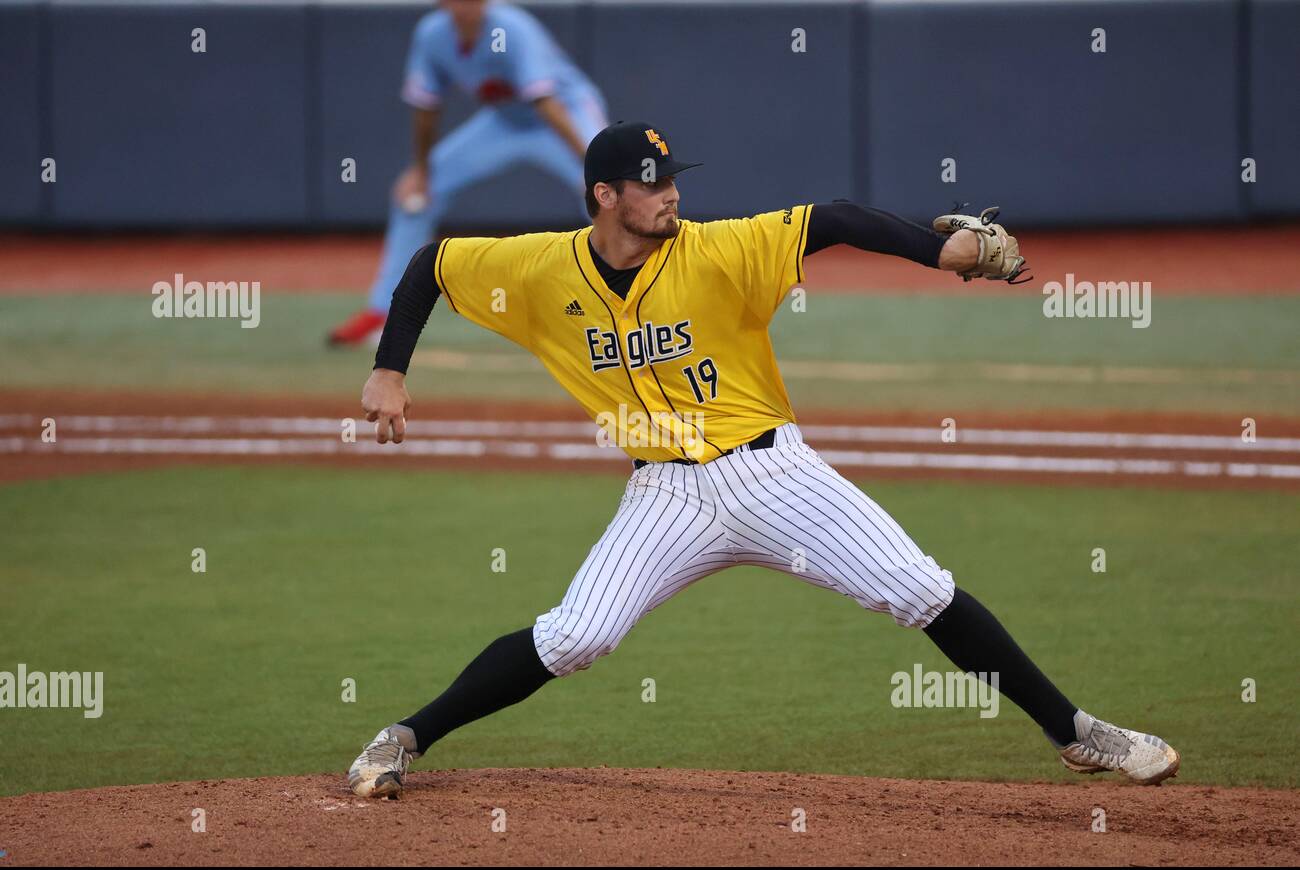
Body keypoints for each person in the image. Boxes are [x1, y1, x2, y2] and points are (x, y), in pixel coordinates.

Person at [346, 120, 1180, 797]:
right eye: (650, 181)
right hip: (663, 496)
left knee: (920, 588)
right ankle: (405, 737)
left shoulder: (719, 250)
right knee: (575, 637)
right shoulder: (538, 270)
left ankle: (1077, 734)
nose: (671, 192)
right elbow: (432, 265)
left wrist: (944, 253)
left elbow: (838, 218)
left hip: (775, 475)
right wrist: (390, 368)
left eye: (674, 177)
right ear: (605, 196)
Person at [328, 0, 607, 346]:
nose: (465, 5)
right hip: (504, 123)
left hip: (564, 114)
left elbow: (544, 100)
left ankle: (628, 303)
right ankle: (382, 313)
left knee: (609, 194)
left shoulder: (511, 28)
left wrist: (592, 162)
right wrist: (421, 170)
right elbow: (426, 106)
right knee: (413, 195)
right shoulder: (432, 35)